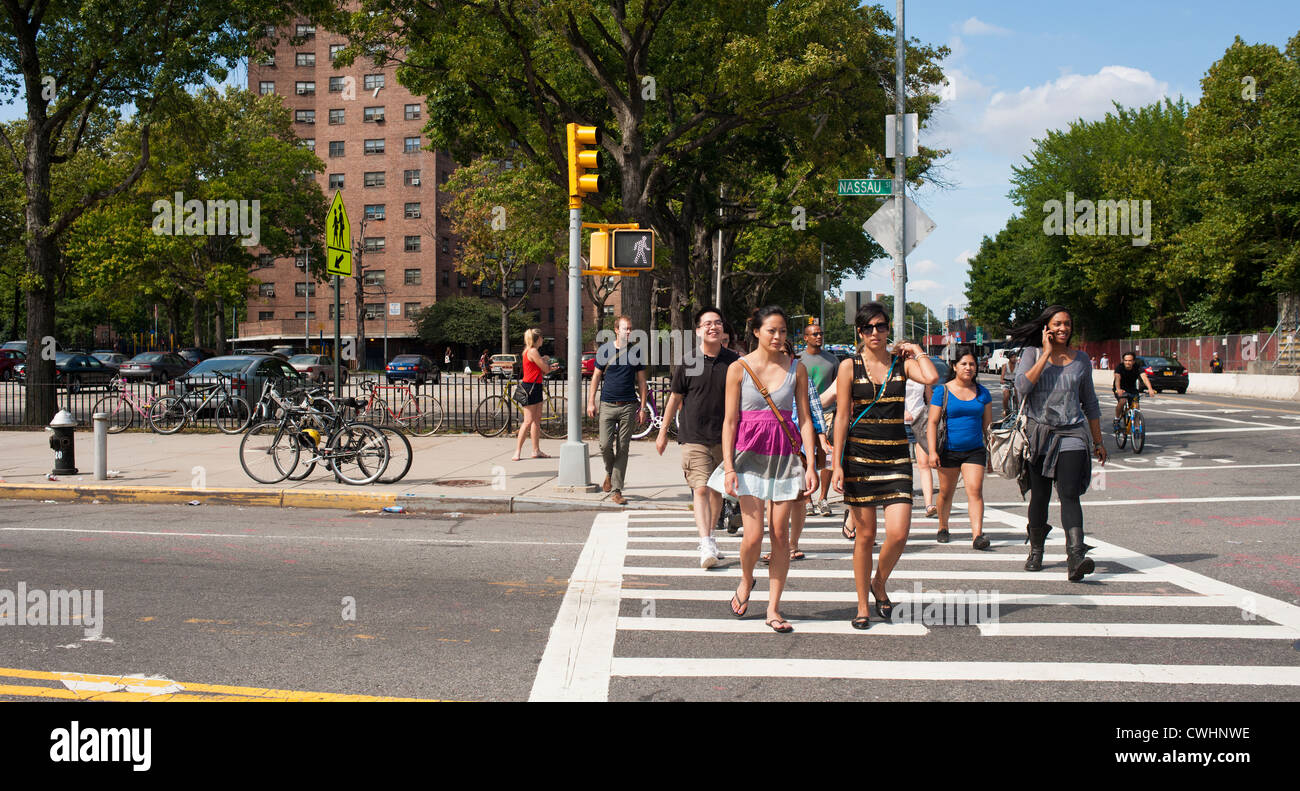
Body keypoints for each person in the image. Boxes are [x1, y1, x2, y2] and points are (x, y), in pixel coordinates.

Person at [707, 306, 818, 633]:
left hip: (784, 457)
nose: (778, 337)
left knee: (781, 535)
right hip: (748, 457)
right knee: (753, 535)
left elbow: (806, 420)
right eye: (772, 330)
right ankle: (745, 580)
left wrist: (810, 464)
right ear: (756, 331)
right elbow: (730, 422)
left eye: (783, 331)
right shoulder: (738, 369)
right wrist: (728, 467)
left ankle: (773, 608)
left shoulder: (797, 369)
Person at [831, 303, 937, 629]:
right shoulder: (849, 366)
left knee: (899, 533)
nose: (875, 333)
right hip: (860, 459)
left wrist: (916, 349)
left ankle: (880, 581)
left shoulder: (902, 365)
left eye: (880, 326)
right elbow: (842, 417)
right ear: (859, 333)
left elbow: (932, 376)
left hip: (896, 459)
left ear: (888, 329)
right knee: (865, 537)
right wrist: (836, 464)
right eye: (868, 328)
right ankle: (863, 603)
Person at [1011, 305, 1107, 580]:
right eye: (1057, 323)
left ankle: (1076, 556)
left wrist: (1097, 441)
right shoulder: (1032, 354)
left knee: (1069, 493)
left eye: (1067, 323)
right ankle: (1037, 550)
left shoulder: (1082, 360)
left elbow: (1090, 402)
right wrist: (1046, 353)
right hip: (1039, 433)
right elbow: (1023, 387)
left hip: (1072, 433)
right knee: (1040, 496)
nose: (1063, 328)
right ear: (1046, 327)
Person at [657, 307, 740, 568]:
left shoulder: (735, 362)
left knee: (718, 492)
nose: (713, 327)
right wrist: (662, 432)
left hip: (725, 437)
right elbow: (675, 398)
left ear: (722, 328)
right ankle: (705, 542)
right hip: (693, 435)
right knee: (701, 488)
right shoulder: (688, 362)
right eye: (707, 324)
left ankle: (712, 537)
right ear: (698, 331)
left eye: (717, 322)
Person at [762, 338, 830, 564]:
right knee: (773, 498)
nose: (780, 357)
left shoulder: (801, 377)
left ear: (792, 356)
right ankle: (776, 546)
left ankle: (793, 545)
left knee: (799, 499)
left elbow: (814, 410)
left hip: (797, 446)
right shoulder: (762, 377)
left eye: (785, 352)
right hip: (771, 446)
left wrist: (821, 438)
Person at [927, 351, 993, 550]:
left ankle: (977, 535)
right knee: (946, 493)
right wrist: (932, 452)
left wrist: (990, 452)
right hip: (948, 450)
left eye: (972, 364)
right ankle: (943, 526)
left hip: (975, 450)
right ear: (954, 366)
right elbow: (932, 422)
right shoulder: (943, 391)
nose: (968, 368)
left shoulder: (983, 393)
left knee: (975, 490)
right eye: (964, 363)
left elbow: (987, 426)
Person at [587, 315, 646, 506]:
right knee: (604, 445)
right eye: (625, 328)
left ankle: (617, 490)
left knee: (623, 447)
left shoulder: (636, 352)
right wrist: (591, 402)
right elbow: (596, 377)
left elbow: (642, 382)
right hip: (607, 404)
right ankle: (610, 472)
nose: (628, 332)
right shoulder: (605, 350)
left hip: (628, 405)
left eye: (630, 328)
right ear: (616, 330)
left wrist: (642, 407)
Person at [798, 323, 839, 517]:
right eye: (814, 334)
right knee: (806, 456)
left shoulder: (832, 360)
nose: (819, 336)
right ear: (805, 337)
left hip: (829, 412)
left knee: (828, 456)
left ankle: (823, 498)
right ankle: (807, 499)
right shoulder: (799, 360)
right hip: (804, 415)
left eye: (821, 333)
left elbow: (840, 386)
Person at [511, 328, 558, 461]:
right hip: (530, 388)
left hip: (535, 386)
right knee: (528, 421)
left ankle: (535, 450)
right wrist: (549, 365)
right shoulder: (532, 351)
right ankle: (517, 451)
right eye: (542, 337)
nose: (543, 340)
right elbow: (545, 369)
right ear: (537, 339)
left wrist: (544, 361)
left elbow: (538, 371)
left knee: (536, 421)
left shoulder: (529, 351)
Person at [904, 378, 938, 517]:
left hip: (920, 420)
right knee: (901, 465)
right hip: (900, 422)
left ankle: (929, 505)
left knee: (924, 464)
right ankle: (901, 503)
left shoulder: (922, 374)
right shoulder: (896, 368)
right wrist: (903, 410)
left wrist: (933, 417)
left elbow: (929, 398)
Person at [1112, 351, 1155, 431]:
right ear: (1123, 361)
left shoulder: (1138, 367)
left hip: (1132, 388)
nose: (1128, 362)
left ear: (1133, 361)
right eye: (1126, 360)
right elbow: (1117, 378)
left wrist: (1150, 389)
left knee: (1136, 406)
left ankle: (1136, 427)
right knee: (1122, 401)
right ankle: (1116, 419)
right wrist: (1118, 389)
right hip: (1120, 388)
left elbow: (1144, 378)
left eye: (1130, 360)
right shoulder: (1119, 367)